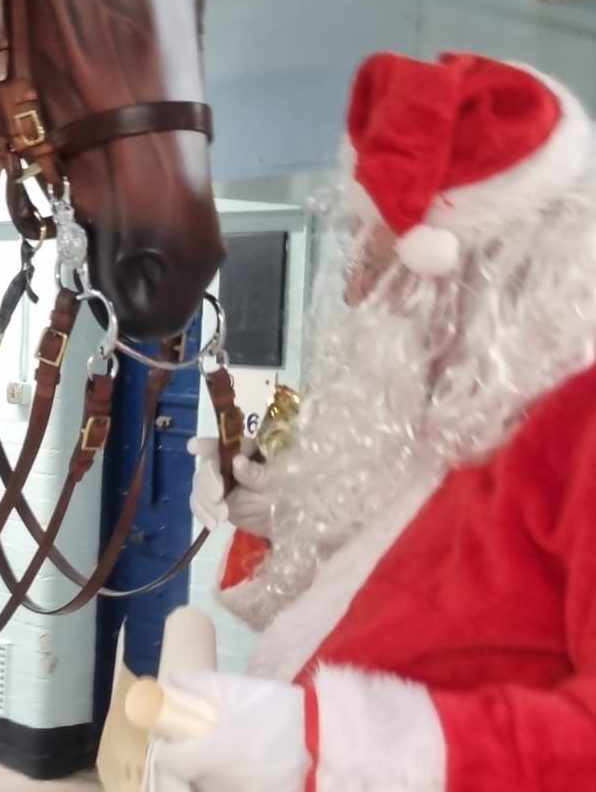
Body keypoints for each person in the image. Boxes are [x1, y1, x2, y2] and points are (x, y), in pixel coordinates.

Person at [152, 50, 596, 792]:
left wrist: (341, 749)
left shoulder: (580, 426)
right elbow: (405, 589)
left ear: (486, 272)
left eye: (377, 257)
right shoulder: (470, 409)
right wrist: (263, 510)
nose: (356, 290)